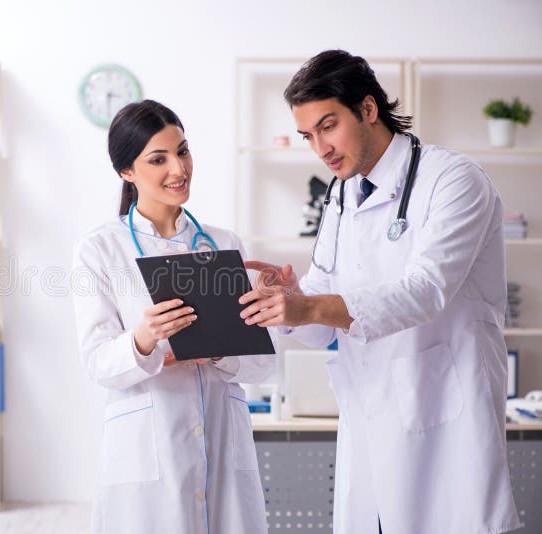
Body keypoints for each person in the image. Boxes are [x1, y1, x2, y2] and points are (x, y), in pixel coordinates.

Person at [239, 50, 521, 534]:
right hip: (367, 429)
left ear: (368, 108)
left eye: (328, 126)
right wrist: (291, 299)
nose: (320, 149)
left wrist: (310, 305)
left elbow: (425, 291)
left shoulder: (453, 180)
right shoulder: (341, 195)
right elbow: (322, 315)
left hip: (445, 428)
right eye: (308, 136)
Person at [72, 99, 277, 534]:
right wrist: (145, 337)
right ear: (127, 171)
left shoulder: (223, 244)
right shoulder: (100, 249)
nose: (179, 169)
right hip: (149, 444)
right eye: (158, 159)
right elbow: (97, 363)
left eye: (182, 151)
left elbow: (263, 363)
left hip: (222, 434)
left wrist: (221, 351)